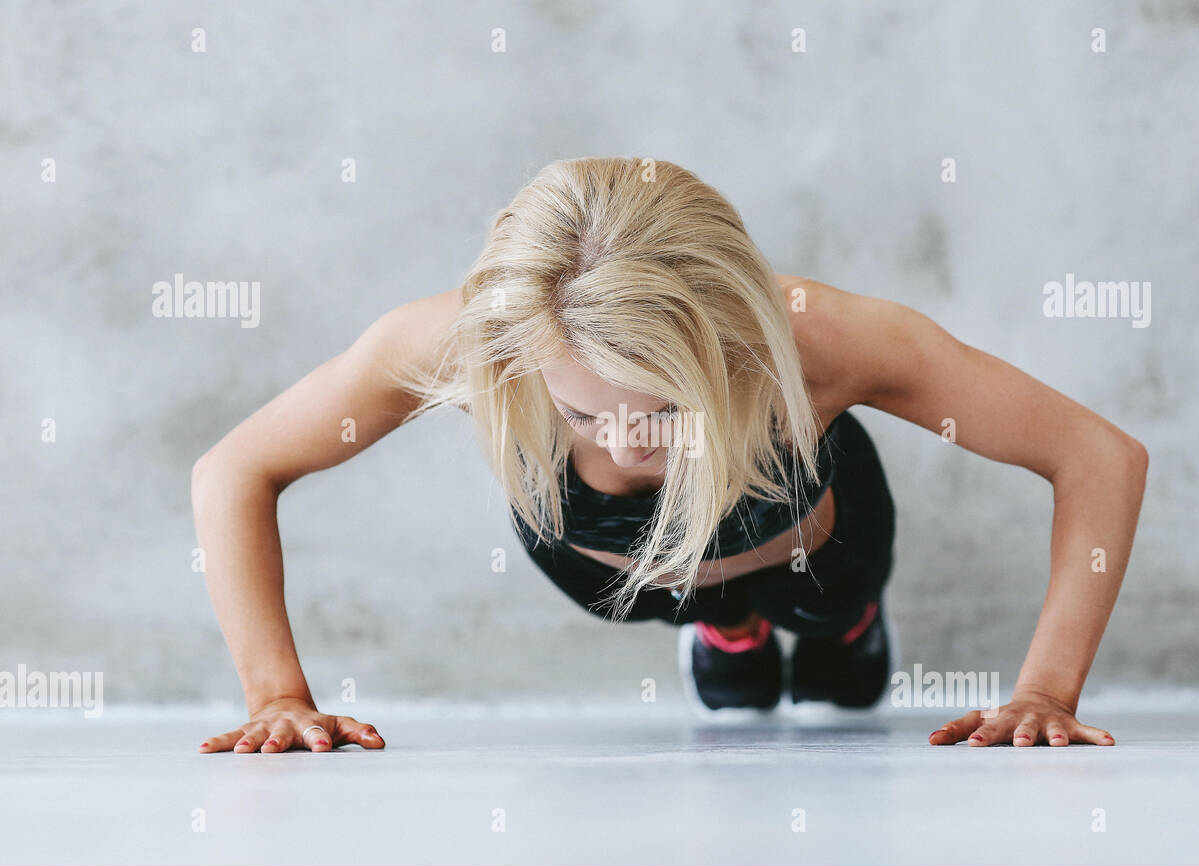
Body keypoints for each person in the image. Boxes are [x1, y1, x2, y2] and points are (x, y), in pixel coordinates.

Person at [191, 157, 1145, 754]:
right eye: (577, 413)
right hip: (613, 572)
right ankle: (722, 630)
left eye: (661, 410)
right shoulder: (463, 339)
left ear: (736, 339)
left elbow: (1098, 455)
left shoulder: (832, 340)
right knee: (712, 643)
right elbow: (234, 470)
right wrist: (278, 695)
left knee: (837, 660)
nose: (623, 443)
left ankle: (840, 630)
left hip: (813, 552)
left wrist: (1045, 692)